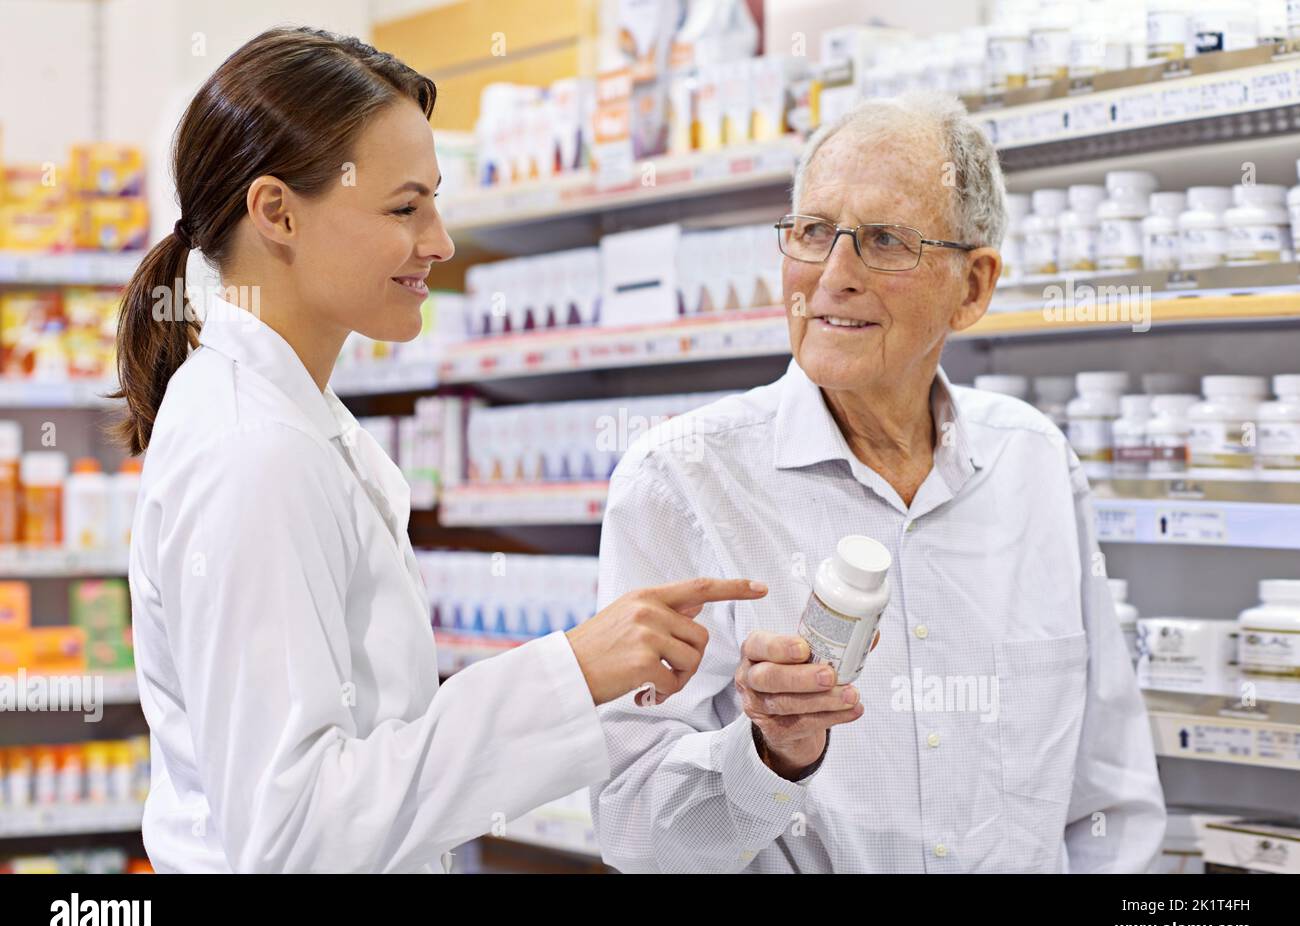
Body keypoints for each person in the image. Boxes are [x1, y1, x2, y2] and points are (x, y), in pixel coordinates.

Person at [116, 26, 767, 873]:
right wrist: (569, 673)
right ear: (277, 212)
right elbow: (292, 836)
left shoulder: (286, 418)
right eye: (404, 207)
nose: (441, 242)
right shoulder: (256, 451)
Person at [590, 91, 1166, 873]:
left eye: (885, 239)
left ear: (974, 286)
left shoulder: (1033, 463)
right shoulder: (682, 480)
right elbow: (636, 833)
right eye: (814, 232)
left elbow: (1110, 789)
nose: (834, 275)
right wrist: (772, 754)